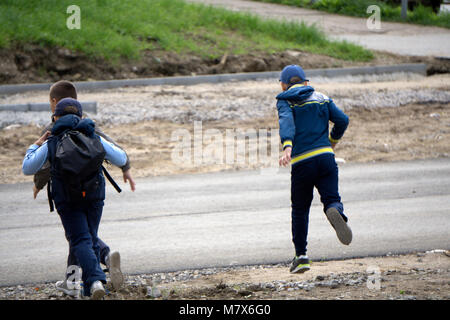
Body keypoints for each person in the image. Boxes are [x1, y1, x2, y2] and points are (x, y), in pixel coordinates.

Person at [32, 81, 135, 296]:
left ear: (53, 103)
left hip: (66, 192)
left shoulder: (53, 127)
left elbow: (45, 160)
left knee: (79, 237)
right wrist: (125, 167)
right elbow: (111, 146)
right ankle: (77, 279)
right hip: (94, 190)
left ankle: (99, 264)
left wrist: (38, 183)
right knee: (82, 235)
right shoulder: (88, 124)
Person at [276, 65, 352, 274]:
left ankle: (301, 256)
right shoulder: (321, 97)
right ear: (306, 83)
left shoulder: (285, 100)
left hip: (303, 162)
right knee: (331, 198)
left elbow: (286, 122)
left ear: (283, 85)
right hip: (326, 158)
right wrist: (332, 141)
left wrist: (288, 146)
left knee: (300, 209)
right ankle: (335, 211)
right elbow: (342, 120)